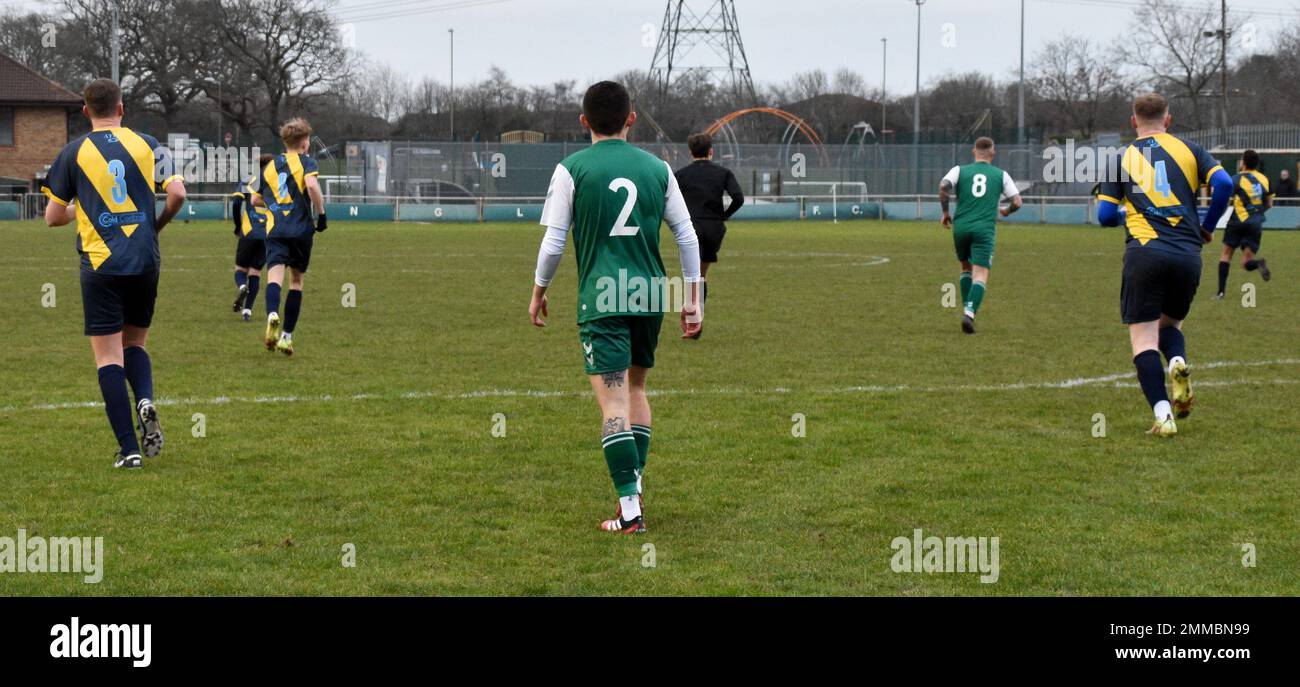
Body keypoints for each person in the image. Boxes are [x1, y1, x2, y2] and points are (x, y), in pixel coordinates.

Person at [529, 80, 702, 534]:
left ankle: (629, 514)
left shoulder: (571, 169)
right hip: (650, 294)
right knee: (637, 392)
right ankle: (634, 491)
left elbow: (553, 242)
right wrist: (693, 299)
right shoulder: (659, 168)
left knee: (613, 405)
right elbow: (687, 236)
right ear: (631, 119)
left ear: (584, 122)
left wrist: (538, 291)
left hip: (603, 297)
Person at [41, 78, 187, 469]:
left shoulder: (73, 152)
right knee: (135, 344)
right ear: (122, 109)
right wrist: (157, 225)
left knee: (108, 357)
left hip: (100, 263)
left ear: (86, 111)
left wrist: (82, 210)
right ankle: (144, 398)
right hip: (144, 259)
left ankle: (130, 450)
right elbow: (177, 194)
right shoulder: (150, 144)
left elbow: (53, 217)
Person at [1096, 93, 1234, 437]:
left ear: (1133, 122)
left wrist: (1131, 212)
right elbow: (1225, 185)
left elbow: (1104, 216)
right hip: (1187, 254)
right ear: (1168, 120)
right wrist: (1208, 225)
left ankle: (1164, 416)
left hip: (1144, 253)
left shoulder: (1120, 159)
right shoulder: (1191, 150)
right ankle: (1176, 362)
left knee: (1143, 338)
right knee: (1170, 325)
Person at [248, 119, 327, 356]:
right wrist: (321, 214)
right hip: (301, 230)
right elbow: (312, 187)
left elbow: (254, 200)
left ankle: (272, 314)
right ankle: (286, 338)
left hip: (276, 230)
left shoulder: (270, 167)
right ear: (305, 142)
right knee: (296, 282)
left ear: (285, 141)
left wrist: (274, 203)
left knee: (274, 278)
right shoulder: (306, 162)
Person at [938, 136, 1023, 334]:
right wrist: (1006, 211)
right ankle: (969, 314)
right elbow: (1018, 202)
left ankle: (967, 310)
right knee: (981, 274)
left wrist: (944, 213)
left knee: (965, 267)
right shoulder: (1001, 175)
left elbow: (943, 187)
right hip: (984, 229)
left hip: (961, 226)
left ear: (973, 152)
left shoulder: (959, 170)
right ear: (993, 153)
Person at [673, 132, 744, 338]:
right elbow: (738, 198)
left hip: (690, 227)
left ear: (691, 152)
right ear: (711, 151)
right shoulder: (723, 173)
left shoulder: (681, 174)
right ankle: (697, 319)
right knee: (701, 276)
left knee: (691, 277)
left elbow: (667, 198)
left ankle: (693, 322)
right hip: (714, 228)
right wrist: (724, 216)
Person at [1216, 149, 1273, 299]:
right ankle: (1259, 263)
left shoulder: (1236, 179)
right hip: (1255, 223)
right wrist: (1257, 213)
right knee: (1246, 263)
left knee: (1226, 255)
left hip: (1237, 221)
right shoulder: (1264, 179)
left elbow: (1224, 199)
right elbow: (1269, 204)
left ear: (1244, 162)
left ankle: (1221, 292)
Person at [230, 154, 275, 320]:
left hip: (249, 232)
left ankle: (242, 286)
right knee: (255, 272)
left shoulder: (248, 179)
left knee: (240, 269)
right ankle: (247, 311)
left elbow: (235, 203)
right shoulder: (276, 182)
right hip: (268, 234)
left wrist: (237, 226)